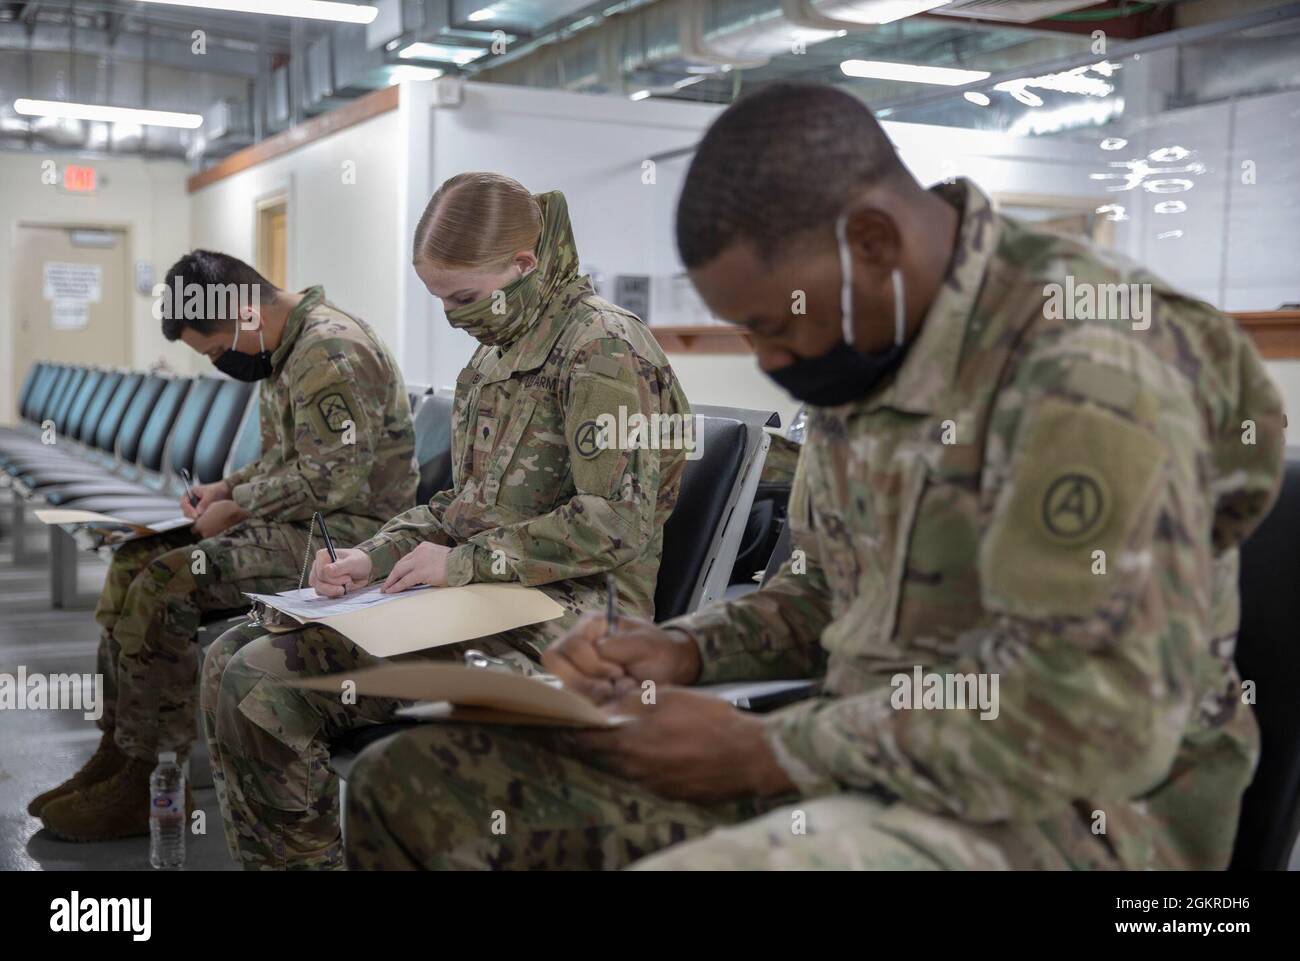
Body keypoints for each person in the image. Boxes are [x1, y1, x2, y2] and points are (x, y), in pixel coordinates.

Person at [342, 83, 1286, 871]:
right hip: (859, 757)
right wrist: (688, 652)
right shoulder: (871, 348)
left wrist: (769, 750)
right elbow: (824, 592)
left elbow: (1086, 718)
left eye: (778, 323)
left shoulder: (1089, 369)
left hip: (1076, 820)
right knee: (413, 784)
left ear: (872, 243)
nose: (770, 356)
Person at [200, 173, 692, 869]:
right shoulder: (494, 359)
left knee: (259, 681)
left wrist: (460, 563)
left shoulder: (604, 350)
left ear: (522, 267)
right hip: (484, 600)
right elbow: (463, 506)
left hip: (567, 619)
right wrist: (374, 555)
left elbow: (617, 523)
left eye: (463, 297)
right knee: (228, 657)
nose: (454, 316)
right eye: (440, 300)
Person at [31, 251, 417, 842]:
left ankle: (149, 778)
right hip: (301, 522)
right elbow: (287, 459)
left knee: (167, 582)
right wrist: (227, 487)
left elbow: (332, 478)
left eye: (213, 351)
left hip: (344, 541)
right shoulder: (287, 349)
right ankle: (121, 753)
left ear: (242, 313)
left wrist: (239, 507)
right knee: (134, 561)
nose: (218, 364)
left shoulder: (330, 351)